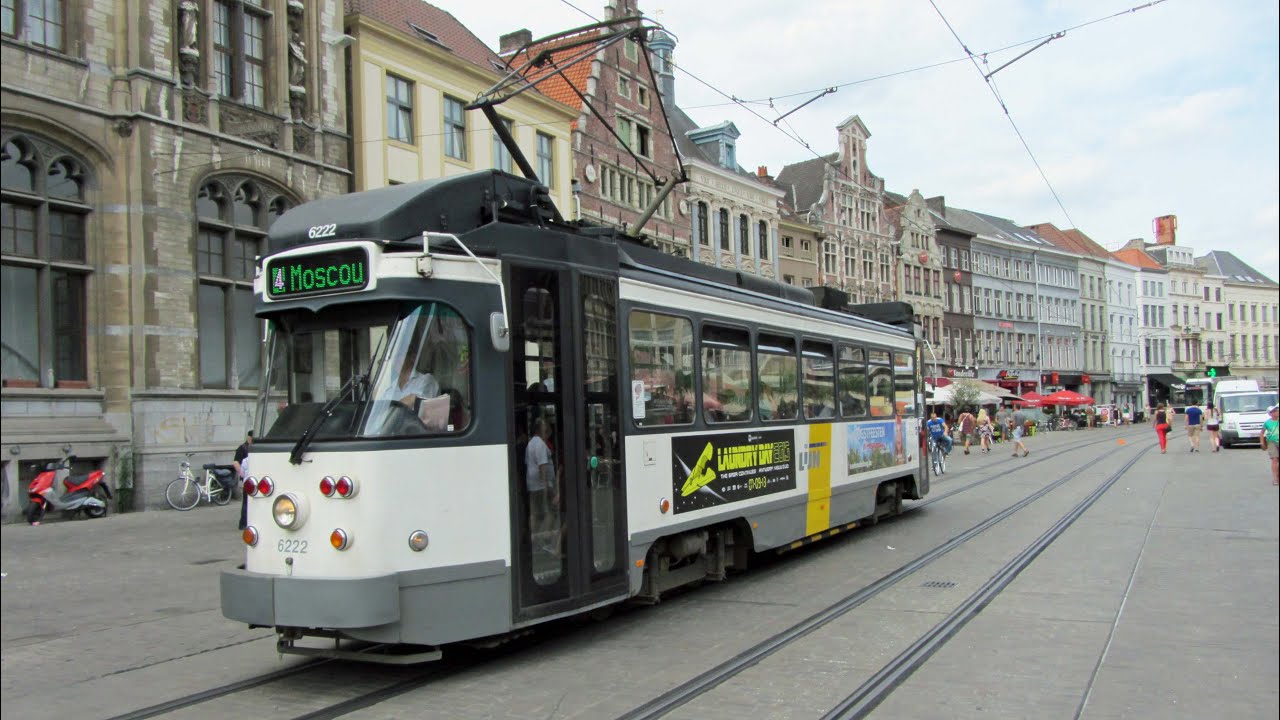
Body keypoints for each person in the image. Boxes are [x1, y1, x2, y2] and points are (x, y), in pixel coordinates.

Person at [525, 417, 558, 543]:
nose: (548, 431)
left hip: (532, 484)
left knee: (535, 513)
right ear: (541, 430)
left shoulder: (531, 443)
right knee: (551, 511)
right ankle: (544, 538)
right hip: (541, 484)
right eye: (546, 429)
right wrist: (548, 487)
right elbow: (542, 466)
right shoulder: (540, 445)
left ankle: (534, 538)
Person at [234, 430, 253, 530]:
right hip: (247, 479)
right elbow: (236, 462)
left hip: (248, 478)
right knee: (246, 502)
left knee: (247, 501)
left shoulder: (253, 449)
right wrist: (242, 474)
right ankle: (243, 523)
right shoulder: (242, 448)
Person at [1261, 404, 1279, 486]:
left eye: (1276, 410)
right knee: (1274, 459)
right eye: (1274, 411)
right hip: (1271, 442)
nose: (1276, 412)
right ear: (1270, 414)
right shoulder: (1267, 423)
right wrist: (1262, 443)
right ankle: (1275, 479)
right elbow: (1261, 433)